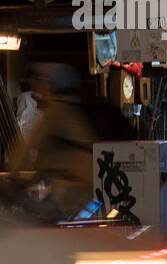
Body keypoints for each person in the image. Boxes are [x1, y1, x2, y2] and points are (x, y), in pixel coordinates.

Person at [6, 63, 100, 220]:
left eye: (39, 82)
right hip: (83, 189)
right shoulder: (71, 110)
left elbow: (23, 150)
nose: (36, 87)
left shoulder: (56, 112)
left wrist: (11, 177)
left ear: (48, 85)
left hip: (66, 191)